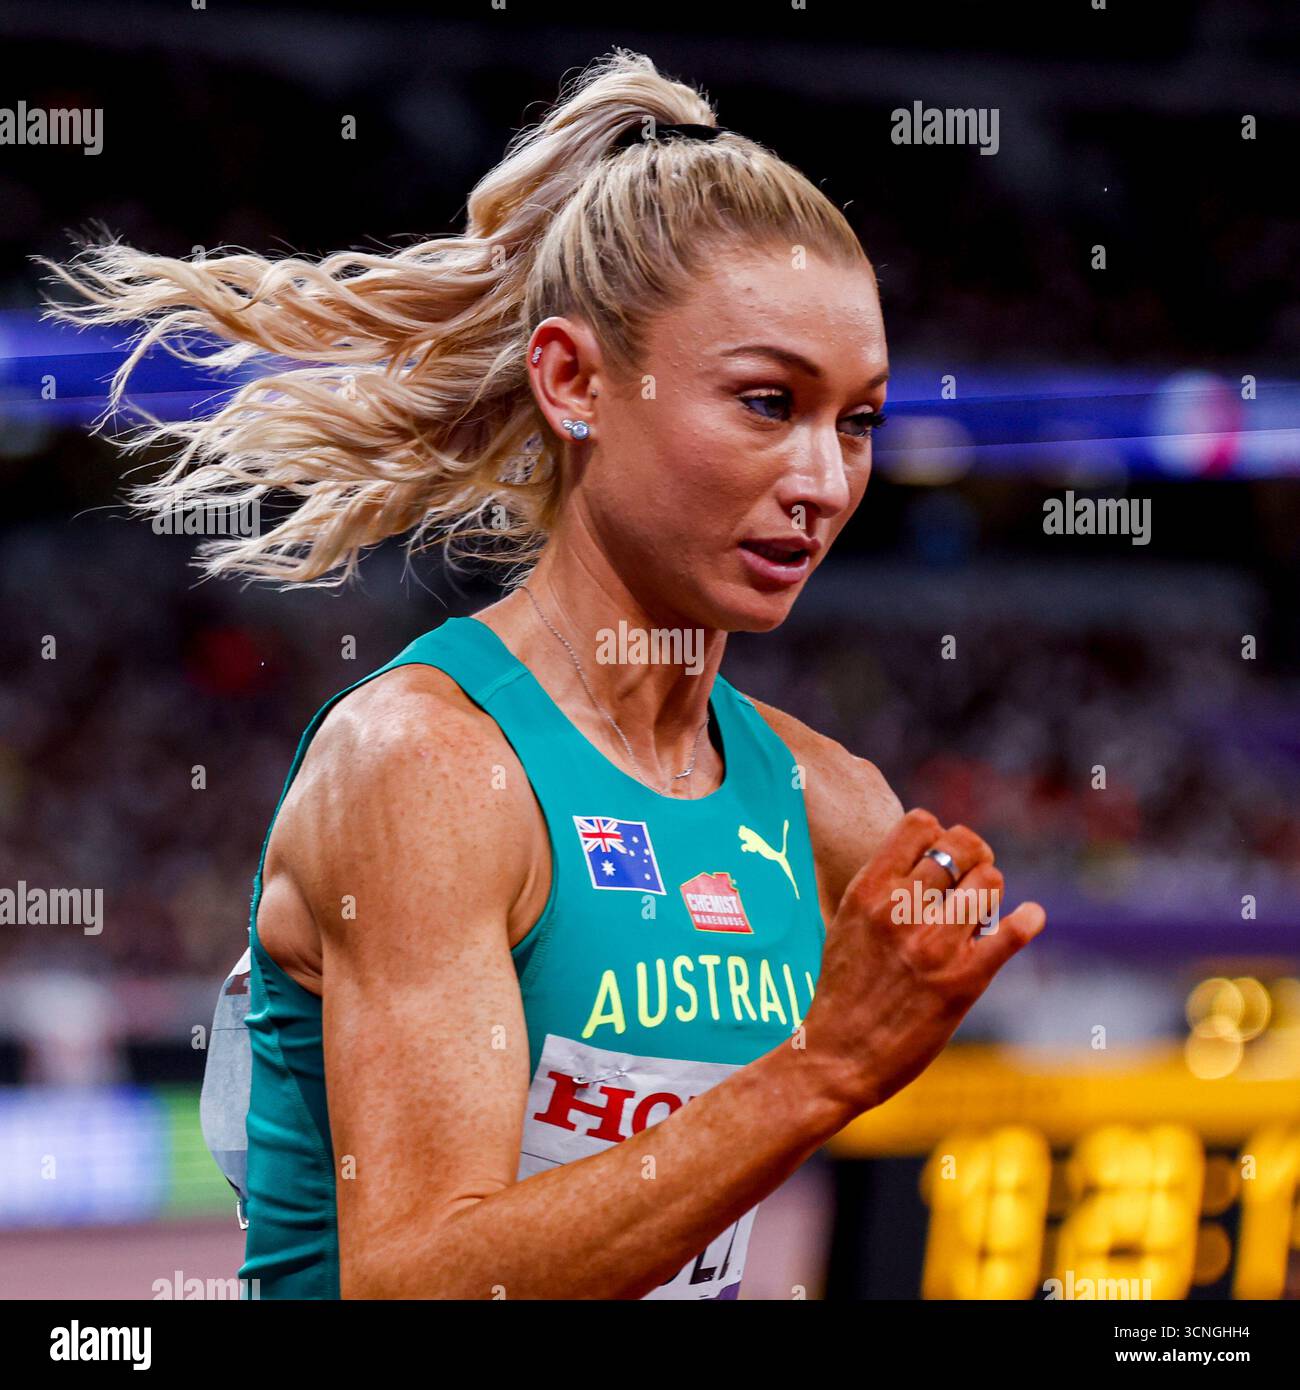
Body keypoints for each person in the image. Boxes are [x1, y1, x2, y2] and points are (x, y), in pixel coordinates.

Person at [41, 48, 1045, 1299]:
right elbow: (420, 1284)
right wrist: (821, 1071)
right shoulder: (428, 766)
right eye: (764, 402)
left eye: (855, 420)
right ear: (574, 380)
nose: (824, 482)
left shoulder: (831, 809)